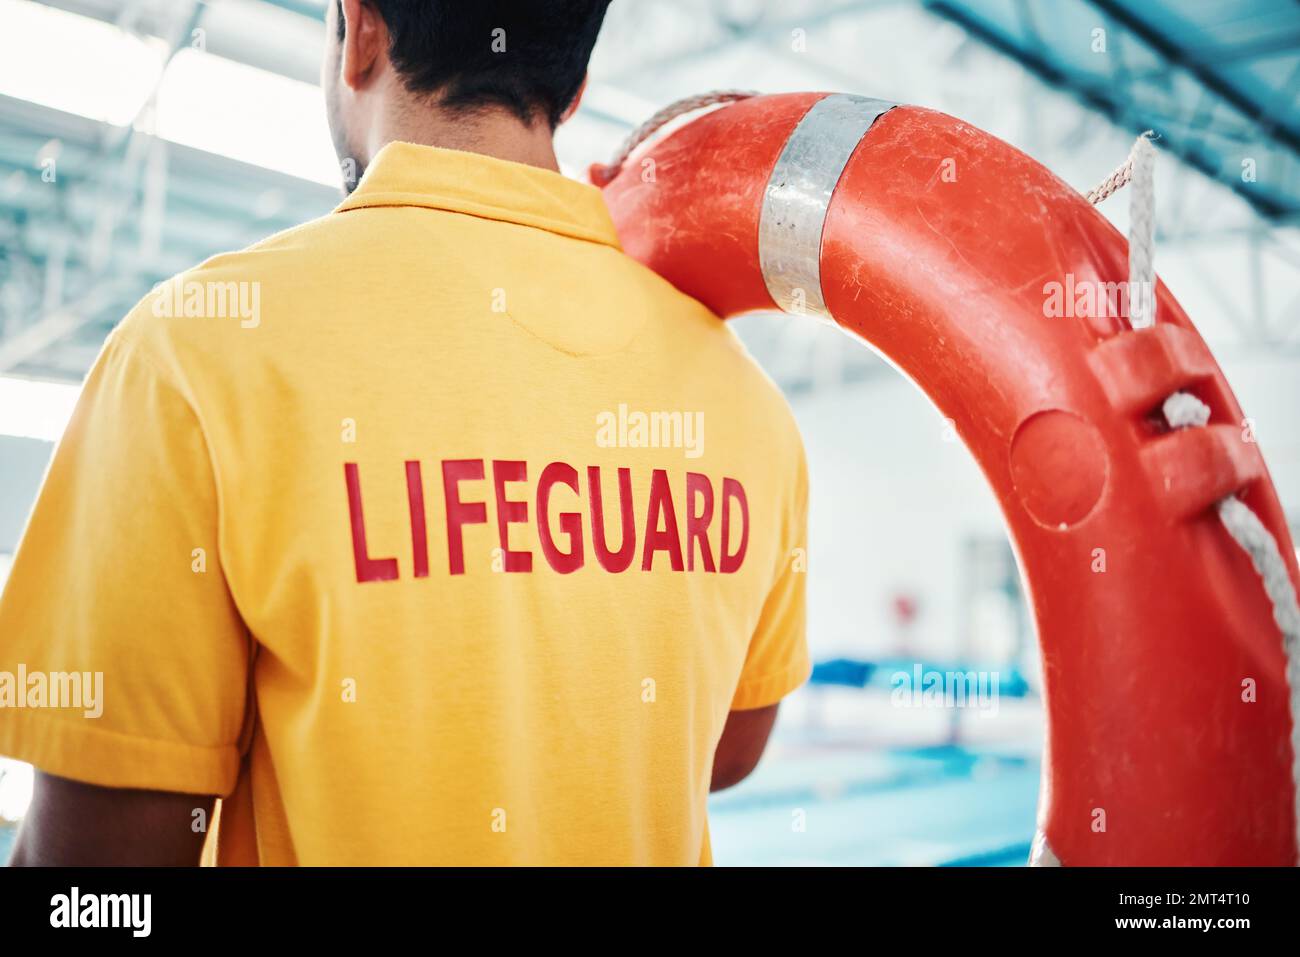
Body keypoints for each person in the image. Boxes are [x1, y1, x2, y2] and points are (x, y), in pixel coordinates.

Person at [0, 0, 808, 866]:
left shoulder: (193, 353)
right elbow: (727, 747)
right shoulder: (745, 402)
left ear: (361, 30)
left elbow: (98, 875)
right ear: (571, 88)